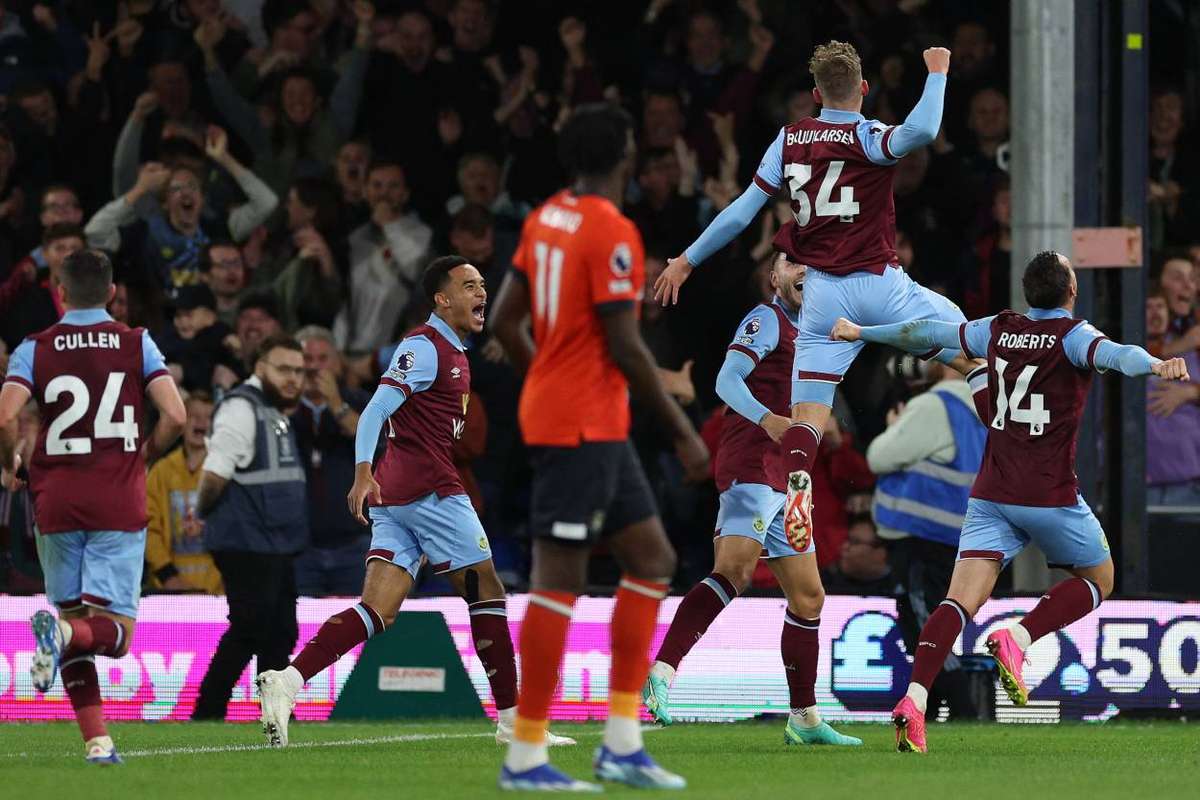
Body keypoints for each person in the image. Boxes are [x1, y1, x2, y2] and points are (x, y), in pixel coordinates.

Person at [830, 250, 1192, 753]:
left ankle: (913, 700)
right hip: (1048, 494)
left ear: (1028, 294)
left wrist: (862, 333)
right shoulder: (1074, 336)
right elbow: (1120, 356)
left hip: (992, 494)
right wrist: (1157, 363)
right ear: (1070, 290)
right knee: (1100, 579)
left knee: (958, 601)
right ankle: (1017, 639)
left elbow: (925, 334)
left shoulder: (997, 329)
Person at [654, 41, 979, 561]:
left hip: (823, 293)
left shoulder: (789, 138)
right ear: (864, 90)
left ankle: (796, 483)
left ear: (813, 94)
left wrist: (688, 259)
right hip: (880, 282)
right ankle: (1013, 447)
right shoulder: (868, 136)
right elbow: (921, 131)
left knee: (808, 414)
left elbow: (742, 211)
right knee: (963, 341)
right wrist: (937, 71)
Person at [256, 257, 574, 750]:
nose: (481, 293)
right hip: (430, 490)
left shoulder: (451, 350)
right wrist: (362, 471)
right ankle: (516, 723)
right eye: (469, 286)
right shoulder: (425, 348)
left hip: (396, 494)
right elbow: (376, 411)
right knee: (486, 591)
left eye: (483, 286)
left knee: (378, 610)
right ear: (441, 299)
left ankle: (288, 681)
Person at [490, 104, 709, 791]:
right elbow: (626, 345)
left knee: (652, 558)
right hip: (579, 425)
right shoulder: (612, 231)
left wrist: (546, 377)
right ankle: (525, 753)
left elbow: (503, 321)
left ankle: (620, 742)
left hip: (588, 421)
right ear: (623, 153)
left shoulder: (545, 215)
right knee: (559, 579)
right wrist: (683, 432)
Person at [642, 252, 860, 747]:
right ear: (774, 277)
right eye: (794, 263)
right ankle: (663, 670)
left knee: (808, 596)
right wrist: (769, 421)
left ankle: (803, 717)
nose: (805, 271)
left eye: (814, 265)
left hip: (792, 476)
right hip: (753, 465)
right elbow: (725, 380)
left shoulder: (823, 330)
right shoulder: (766, 319)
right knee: (736, 570)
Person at [0, 249, 186, 764]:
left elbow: (4, 418)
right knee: (115, 634)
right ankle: (59, 635)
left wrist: (9, 465)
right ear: (111, 294)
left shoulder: (33, 348)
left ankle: (98, 742)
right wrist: (141, 456)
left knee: (75, 616)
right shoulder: (135, 341)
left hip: (54, 499)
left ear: (59, 292)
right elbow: (175, 413)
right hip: (116, 498)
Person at [191, 335, 309, 720]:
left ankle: (274, 715)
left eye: (299, 371)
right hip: (246, 540)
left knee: (279, 632)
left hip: (272, 540)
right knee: (250, 626)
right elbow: (215, 473)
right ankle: (208, 712)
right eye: (284, 369)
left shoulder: (272, 410)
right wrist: (203, 510)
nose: (293, 378)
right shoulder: (242, 408)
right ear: (260, 368)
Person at [868, 359, 987, 719]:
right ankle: (930, 714)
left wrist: (895, 426)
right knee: (924, 626)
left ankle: (967, 713)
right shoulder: (986, 407)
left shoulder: (936, 404)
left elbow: (879, 456)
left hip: (921, 540)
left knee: (924, 631)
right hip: (956, 540)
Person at [291, 326, 370, 597]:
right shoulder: (281, 411)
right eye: (307, 360)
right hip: (300, 549)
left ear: (337, 363)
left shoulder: (361, 403)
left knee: (360, 630)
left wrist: (336, 404)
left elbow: (378, 444)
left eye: (322, 359)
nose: (314, 369)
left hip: (355, 546)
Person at [145, 391, 222, 594]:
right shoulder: (161, 471)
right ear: (182, 423)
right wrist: (168, 576)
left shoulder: (224, 472)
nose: (201, 422)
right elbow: (147, 527)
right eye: (194, 416)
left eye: (208, 417)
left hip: (217, 592)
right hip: (168, 589)